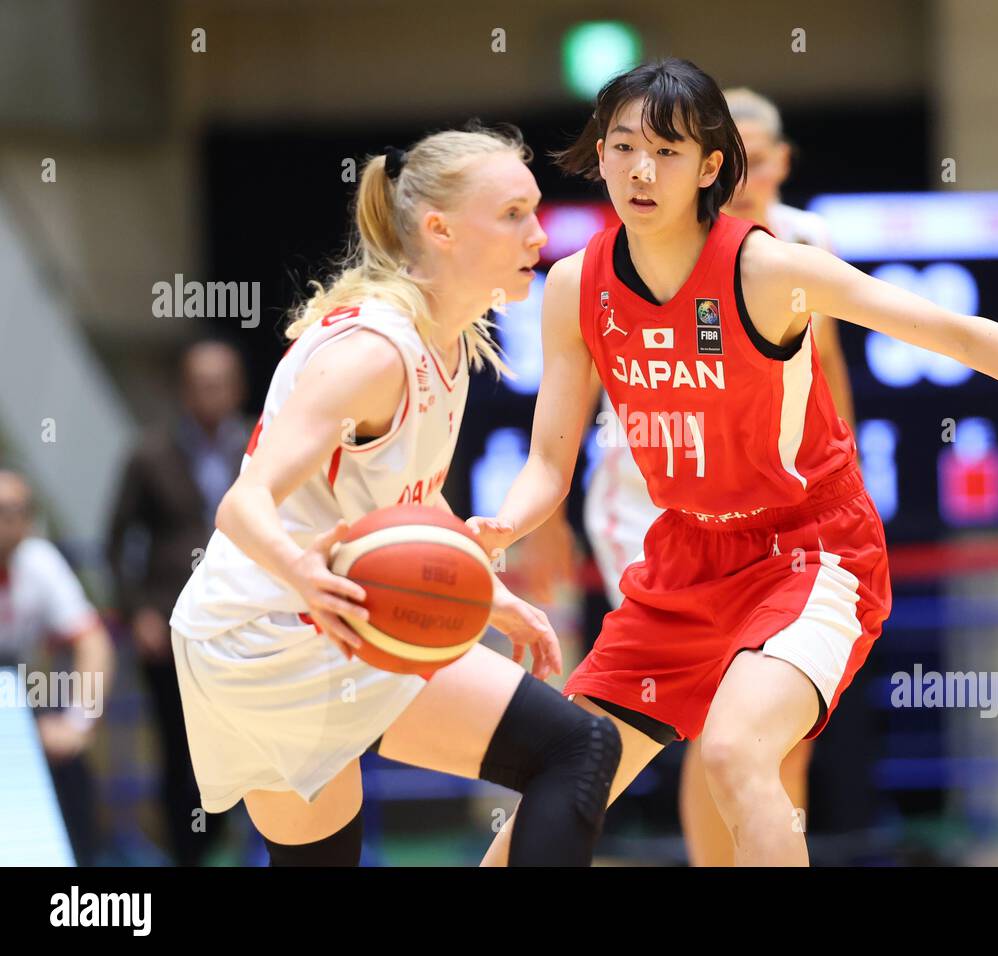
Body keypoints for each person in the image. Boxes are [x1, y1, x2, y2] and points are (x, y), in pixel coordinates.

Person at [472, 58, 998, 866]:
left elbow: (951, 333)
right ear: (598, 154)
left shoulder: (767, 268)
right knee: (565, 774)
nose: (641, 171)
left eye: (668, 152)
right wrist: (503, 522)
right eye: (623, 147)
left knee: (736, 749)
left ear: (712, 167)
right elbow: (549, 461)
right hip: (683, 558)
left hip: (809, 552)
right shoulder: (576, 287)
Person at [168, 125, 620, 867]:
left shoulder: (446, 338)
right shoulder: (376, 352)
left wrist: (483, 593)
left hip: (314, 614)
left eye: (535, 211)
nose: (538, 233)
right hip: (266, 632)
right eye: (512, 214)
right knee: (575, 745)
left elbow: (403, 498)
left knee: (569, 749)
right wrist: (301, 570)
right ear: (438, 228)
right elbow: (242, 503)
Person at [581, 84, 857, 865]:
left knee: (765, 735)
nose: (745, 178)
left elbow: (828, 367)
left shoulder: (797, 246)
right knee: (706, 724)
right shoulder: (637, 244)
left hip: (774, 514)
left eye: (758, 161)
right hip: (653, 507)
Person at [106, 339, 247, 864]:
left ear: (237, 388)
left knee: (246, 745)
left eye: (219, 382)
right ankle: (188, 856)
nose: (209, 393)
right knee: (177, 750)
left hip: (245, 625)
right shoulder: (148, 454)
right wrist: (136, 610)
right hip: (167, 628)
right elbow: (116, 543)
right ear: (183, 390)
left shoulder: (262, 447)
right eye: (199, 383)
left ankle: (238, 847)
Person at [0, 468, 116, 865]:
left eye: (14, 510)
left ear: (29, 521)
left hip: (17, 699)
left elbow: (93, 640)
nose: (4, 521)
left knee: (70, 774)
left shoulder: (40, 561)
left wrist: (78, 724)